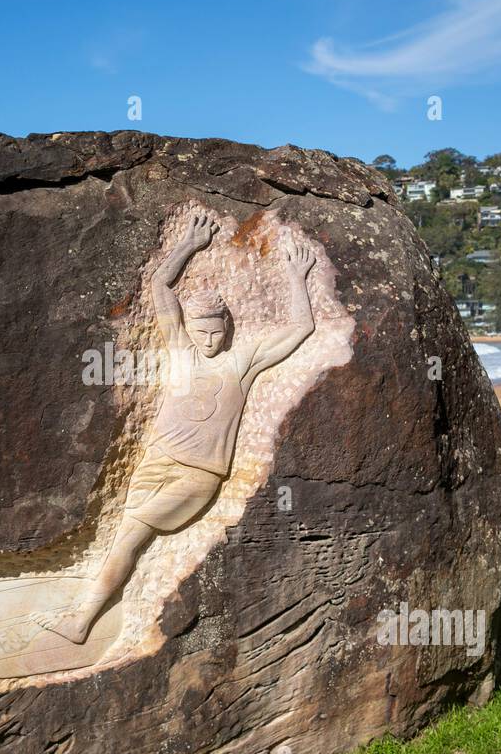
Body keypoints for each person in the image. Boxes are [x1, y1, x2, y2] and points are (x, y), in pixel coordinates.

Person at [35, 213, 318, 644]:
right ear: (192, 328)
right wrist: (188, 244)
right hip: (155, 461)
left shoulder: (240, 365)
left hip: (196, 475)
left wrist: (297, 278)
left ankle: (81, 621)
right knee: (124, 539)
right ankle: (92, 612)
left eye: (216, 332)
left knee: (129, 536)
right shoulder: (182, 351)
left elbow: (301, 328)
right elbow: (160, 287)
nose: (209, 340)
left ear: (227, 330)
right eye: (201, 331)